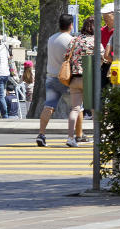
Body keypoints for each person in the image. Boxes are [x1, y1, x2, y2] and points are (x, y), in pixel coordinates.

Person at [36, 13, 84, 146]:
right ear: (71, 25)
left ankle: (41, 134)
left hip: (51, 77)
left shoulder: (51, 39)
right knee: (77, 107)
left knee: (49, 106)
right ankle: (78, 135)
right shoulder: (72, 40)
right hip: (67, 78)